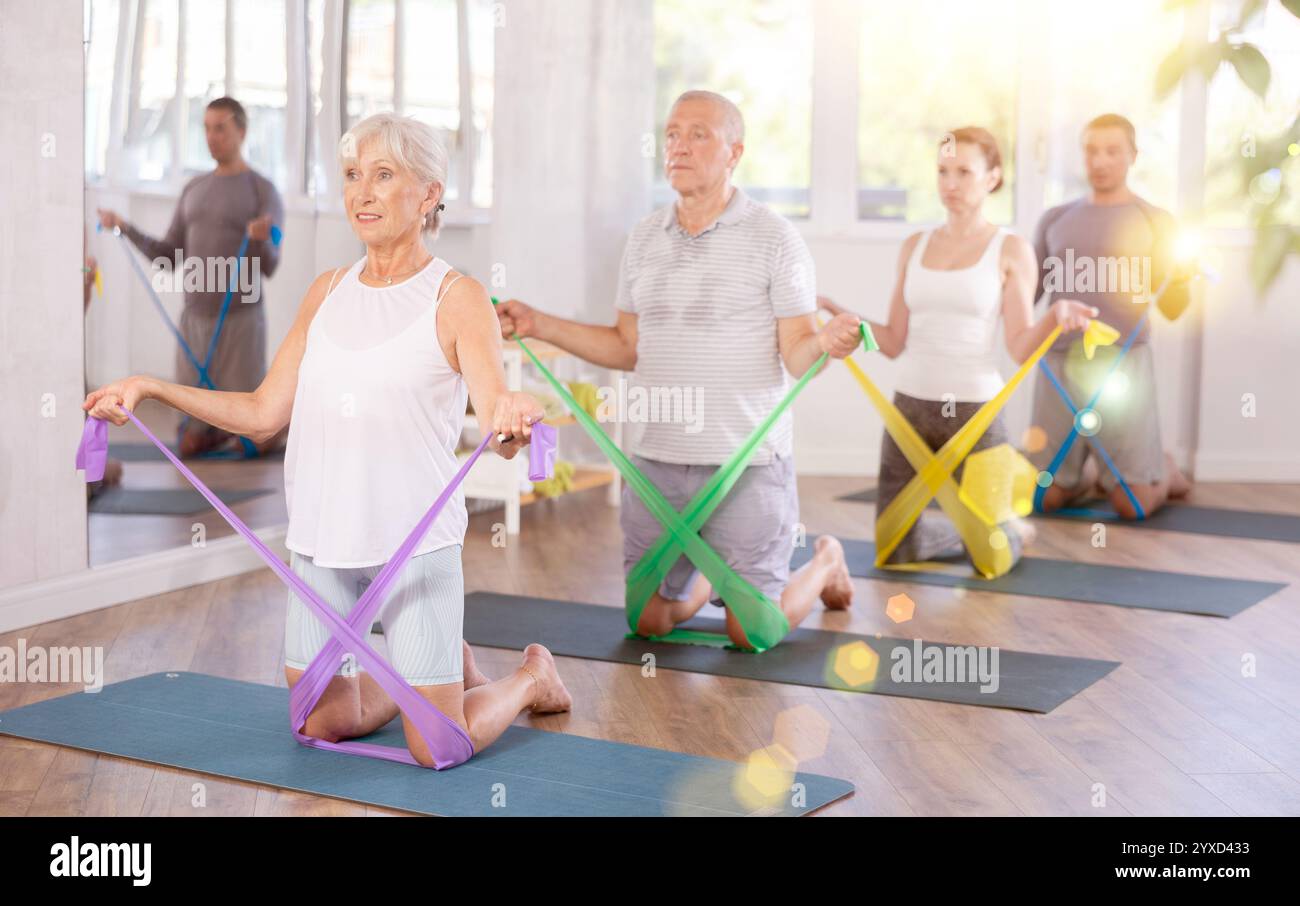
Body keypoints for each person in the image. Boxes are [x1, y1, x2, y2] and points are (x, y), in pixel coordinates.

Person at [84, 113, 571, 768]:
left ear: (429, 193)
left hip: (415, 545)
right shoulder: (327, 292)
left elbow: (497, 429)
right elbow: (262, 412)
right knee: (319, 719)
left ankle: (532, 676)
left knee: (438, 747)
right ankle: (433, 666)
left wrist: (513, 418)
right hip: (322, 541)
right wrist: (149, 387)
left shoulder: (458, 298)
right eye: (351, 175)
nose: (361, 193)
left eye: (383, 175)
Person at [496, 90, 861, 651]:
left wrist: (827, 344)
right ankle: (716, 577)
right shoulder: (644, 237)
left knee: (753, 632)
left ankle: (826, 562)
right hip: (657, 464)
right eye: (671, 134)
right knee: (647, 622)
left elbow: (796, 356)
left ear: (735, 152)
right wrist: (537, 323)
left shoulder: (776, 238)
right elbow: (627, 347)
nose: (679, 146)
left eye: (698, 135)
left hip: (746, 464)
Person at [820, 127, 1096, 569]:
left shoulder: (1010, 249)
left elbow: (1020, 347)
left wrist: (1055, 314)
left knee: (989, 557)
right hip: (909, 410)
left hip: (975, 412)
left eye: (964, 172)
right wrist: (842, 316)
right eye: (943, 172)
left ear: (992, 178)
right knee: (895, 550)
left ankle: (1006, 530)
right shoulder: (914, 246)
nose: (950, 183)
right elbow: (892, 341)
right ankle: (982, 526)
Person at [97, 97, 286, 457]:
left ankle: (274, 426)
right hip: (194, 323)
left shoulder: (263, 191)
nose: (212, 137)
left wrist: (263, 239)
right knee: (188, 445)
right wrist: (124, 227)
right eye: (207, 128)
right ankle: (218, 433)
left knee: (254, 439)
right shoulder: (193, 189)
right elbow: (168, 256)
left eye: (221, 129)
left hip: (241, 324)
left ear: (242, 132)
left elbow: (271, 265)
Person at [1028, 113, 1192, 519]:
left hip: (1124, 363)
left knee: (1131, 506)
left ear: (1133, 155)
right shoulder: (1054, 219)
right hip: (1060, 364)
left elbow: (1174, 309)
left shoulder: (1156, 221)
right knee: (1043, 499)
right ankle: (1088, 473)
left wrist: (1182, 274)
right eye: (1091, 151)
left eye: (1112, 151)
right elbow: (1029, 296)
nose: (1100, 161)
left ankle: (1163, 470)